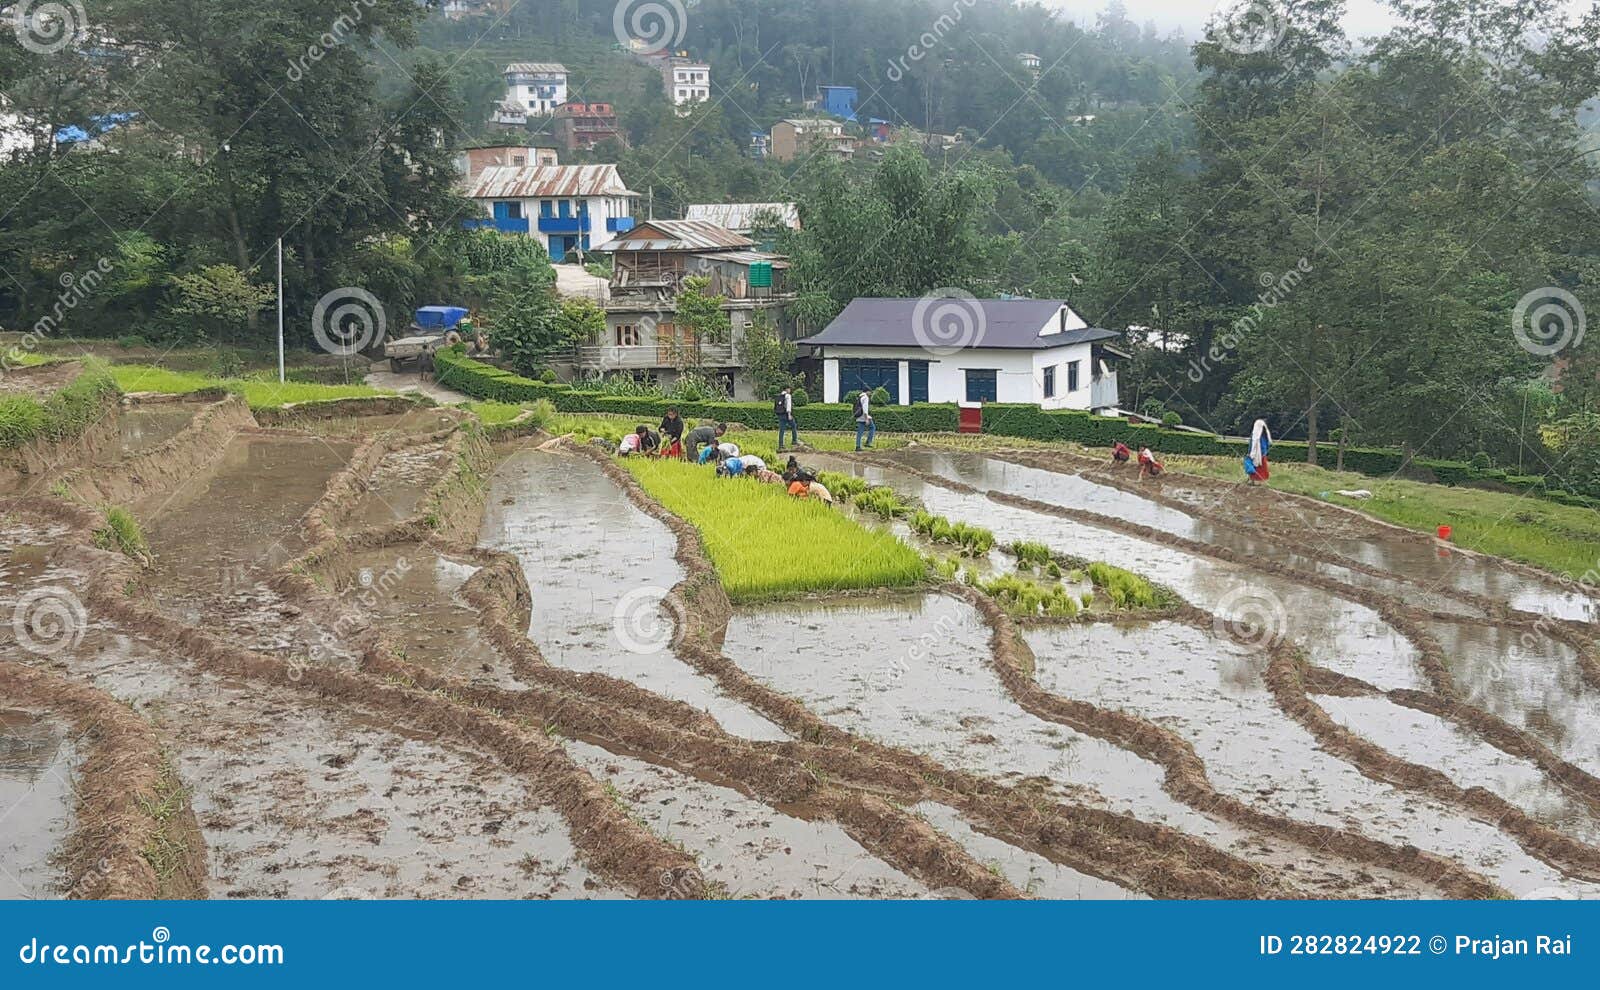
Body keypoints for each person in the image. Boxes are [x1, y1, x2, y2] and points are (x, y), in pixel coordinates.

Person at [1243, 418, 1272, 484]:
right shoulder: (1264, 435)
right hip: (1260, 454)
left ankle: (1257, 481)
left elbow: (1252, 445)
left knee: (1259, 468)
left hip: (1260, 454)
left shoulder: (1258, 435)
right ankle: (1253, 480)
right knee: (1256, 467)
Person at [774, 387, 799, 452]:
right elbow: (788, 406)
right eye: (789, 389)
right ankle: (794, 441)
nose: (790, 390)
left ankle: (781, 445)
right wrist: (789, 415)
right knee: (793, 426)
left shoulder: (779, 396)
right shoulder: (788, 396)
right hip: (786, 414)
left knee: (781, 430)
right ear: (787, 389)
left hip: (780, 415)